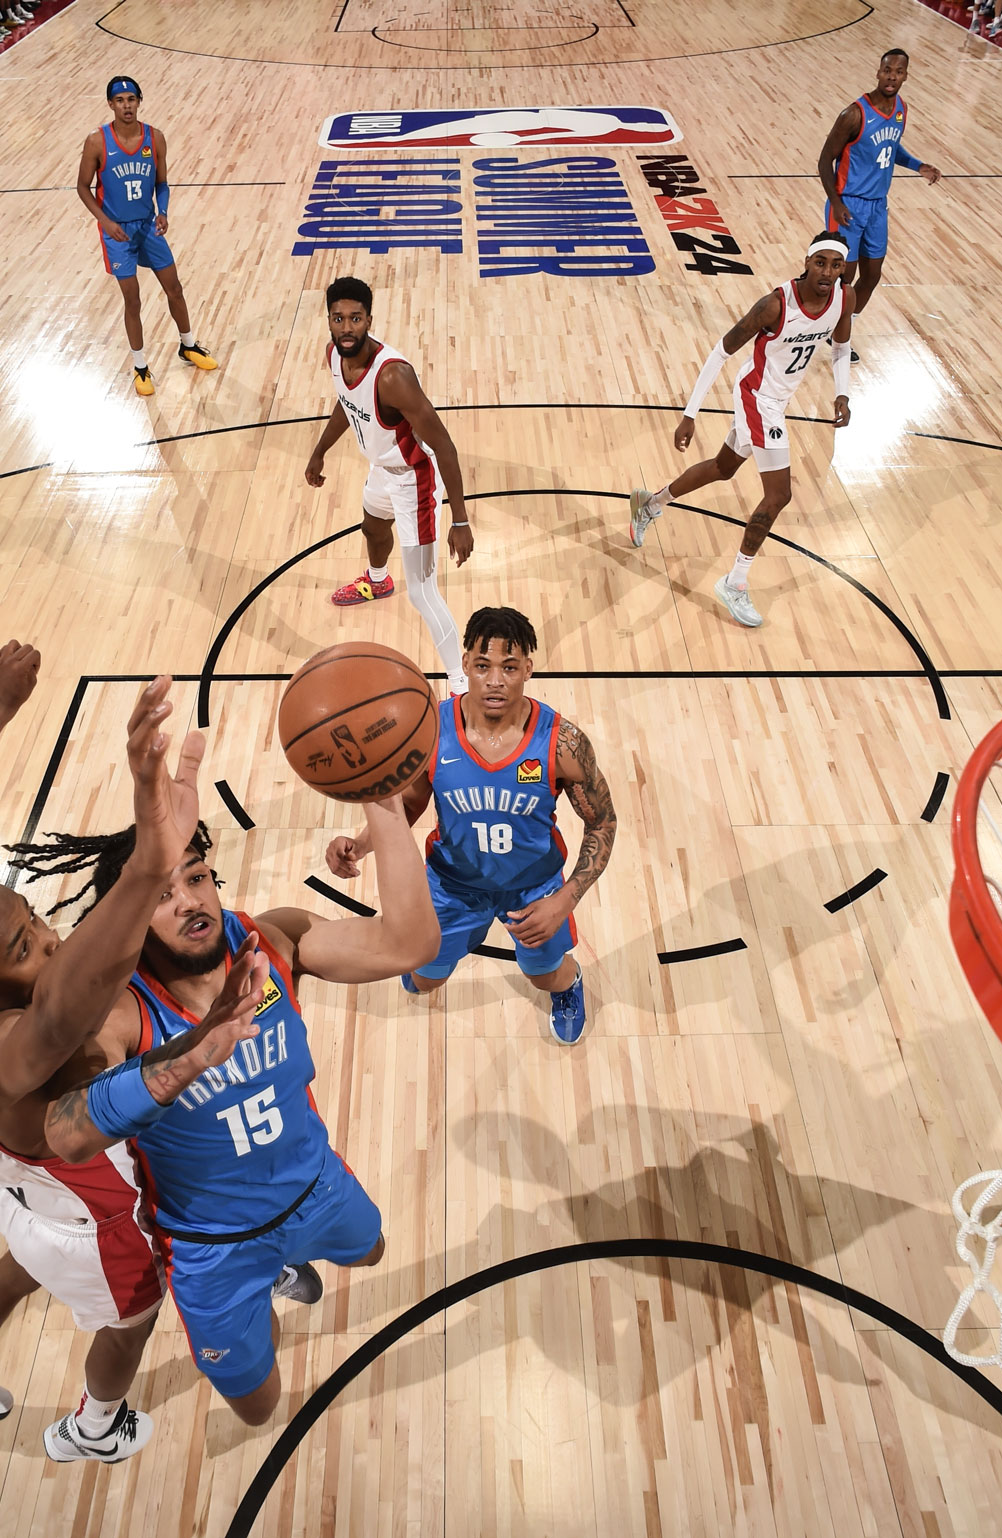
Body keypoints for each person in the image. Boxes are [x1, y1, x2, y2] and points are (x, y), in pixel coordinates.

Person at [0, 661, 269, 1461]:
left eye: (28, 916)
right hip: (98, 1215)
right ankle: (96, 1427)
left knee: (22, 1258)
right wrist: (148, 865)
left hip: (22, 1191)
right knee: (130, 1319)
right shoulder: (6, 1050)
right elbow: (66, 1002)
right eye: (27, 947)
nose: (49, 939)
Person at [31, 745, 443, 1428]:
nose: (189, 902)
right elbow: (65, 1133)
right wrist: (190, 1057)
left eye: (196, 877)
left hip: (315, 1185)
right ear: (130, 912)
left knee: (372, 1250)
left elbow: (410, 945)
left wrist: (381, 794)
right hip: (212, 1249)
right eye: (160, 894)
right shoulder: (120, 1014)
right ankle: (263, 1292)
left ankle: (290, 1263)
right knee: (259, 1407)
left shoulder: (269, 941)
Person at [325, 606, 615, 1045]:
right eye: (483, 666)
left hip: (533, 887)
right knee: (424, 978)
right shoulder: (430, 731)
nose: (495, 681)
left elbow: (603, 824)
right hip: (452, 884)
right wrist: (363, 844)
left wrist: (564, 900)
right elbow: (411, 804)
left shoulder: (562, 743)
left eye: (509, 667)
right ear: (465, 666)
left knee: (545, 975)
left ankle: (569, 986)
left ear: (528, 671)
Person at [628, 232, 854, 630]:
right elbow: (722, 351)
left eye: (836, 265)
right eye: (821, 263)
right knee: (779, 495)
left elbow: (839, 347)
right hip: (757, 397)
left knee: (723, 466)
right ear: (806, 261)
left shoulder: (843, 299)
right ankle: (735, 582)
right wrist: (690, 414)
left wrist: (843, 394)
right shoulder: (775, 305)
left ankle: (650, 504)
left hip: (778, 400)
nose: (828, 272)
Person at [304, 275, 472, 697]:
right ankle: (377, 580)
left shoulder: (393, 377)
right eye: (338, 318)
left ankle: (459, 681)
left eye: (355, 319)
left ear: (369, 320)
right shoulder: (334, 355)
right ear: (328, 320)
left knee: (422, 592)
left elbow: (446, 447)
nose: (346, 328)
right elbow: (348, 404)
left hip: (413, 480)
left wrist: (461, 520)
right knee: (372, 527)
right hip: (381, 470)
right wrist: (319, 450)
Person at [75, 74, 217, 397]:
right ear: (111, 104)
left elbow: (162, 183)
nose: (126, 106)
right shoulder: (97, 141)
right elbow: (82, 187)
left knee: (175, 288)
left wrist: (163, 211)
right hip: (117, 233)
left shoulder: (156, 138)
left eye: (131, 99)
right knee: (133, 299)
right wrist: (104, 221)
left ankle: (189, 346)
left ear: (139, 101)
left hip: (147, 225)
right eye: (120, 100)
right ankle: (140, 367)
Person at [813, 48, 941, 358]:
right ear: (878, 72)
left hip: (877, 207)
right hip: (848, 206)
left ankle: (841, 327)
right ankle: (822, 328)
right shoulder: (853, 114)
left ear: (905, 76)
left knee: (872, 275)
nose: (892, 76)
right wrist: (836, 201)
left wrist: (918, 165)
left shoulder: (900, 110)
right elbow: (824, 160)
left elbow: (891, 147)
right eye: (887, 70)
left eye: (898, 72)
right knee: (845, 277)